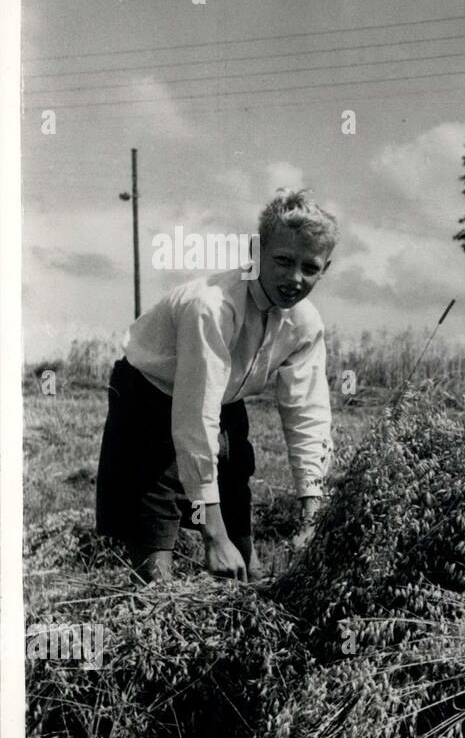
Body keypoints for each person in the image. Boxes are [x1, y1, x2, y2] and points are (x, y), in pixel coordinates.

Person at [95, 188, 336, 582]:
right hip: (148, 398)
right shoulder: (211, 306)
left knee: (246, 569)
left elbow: (307, 415)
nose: (295, 279)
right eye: (282, 261)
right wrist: (213, 535)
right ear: (255, 253)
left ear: (325, 268)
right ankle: (155, 595)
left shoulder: (306, 324)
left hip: (224, 404)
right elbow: (193, 417)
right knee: (156, 580)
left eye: (309, 268)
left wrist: (312, 512)